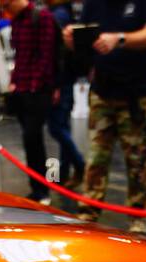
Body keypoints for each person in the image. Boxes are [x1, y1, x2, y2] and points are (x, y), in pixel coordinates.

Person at [63, 0, 146, 234]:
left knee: (138, 161)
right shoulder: (94, 4)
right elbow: (86, 41)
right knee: (96, 158)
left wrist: (119, 39)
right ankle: (89, 212)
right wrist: (72, 39)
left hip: (136, 94)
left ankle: (138, 214)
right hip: (102, 92)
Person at [3, 0, 59, 204]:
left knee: (33, 137)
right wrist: (15, 83)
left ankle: (43, 188)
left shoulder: (42, 17)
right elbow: (19, 56)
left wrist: (37, 85)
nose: (5, 9)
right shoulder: (16, 21)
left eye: (7, 5)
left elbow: (47, 55)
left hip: (38, 90)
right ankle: (37, 188)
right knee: (29, 141)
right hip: (21, 89)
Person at [45, 0, 85, 193]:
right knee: (63, 126)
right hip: (66, 79)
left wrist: (56, 84)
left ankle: (79, 164)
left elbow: (58, 54)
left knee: (56, 127)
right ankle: (64, 171)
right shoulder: (65, 13)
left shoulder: (58, 16)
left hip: (62, 80)